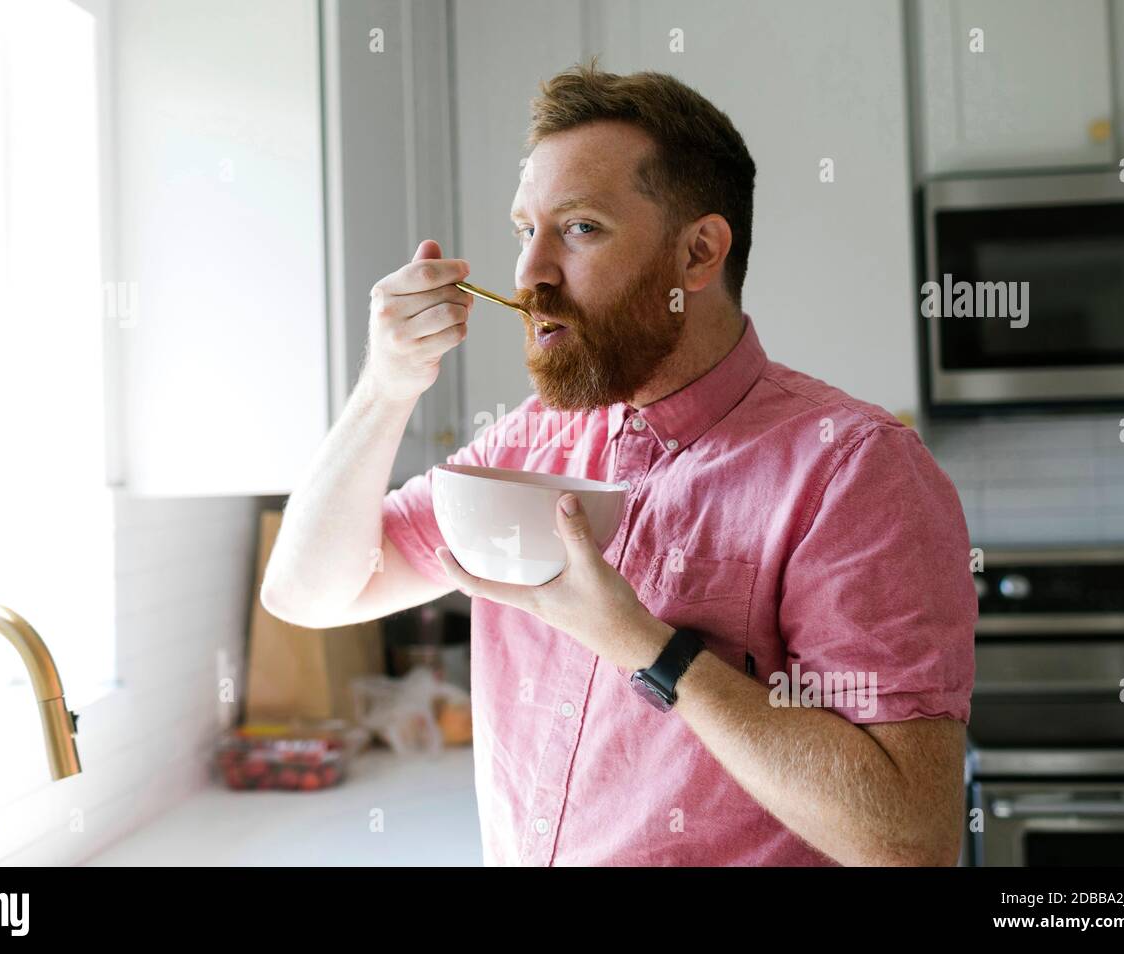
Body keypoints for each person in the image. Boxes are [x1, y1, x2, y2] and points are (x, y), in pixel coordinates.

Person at [261, 60, 976, 866]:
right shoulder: (526, 447)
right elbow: (310, 591)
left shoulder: (855, 473)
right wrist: (385, 388)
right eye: (524, 230)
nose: (531, 275)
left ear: (698, 253)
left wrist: (649, 648)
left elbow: (910, 840)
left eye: (580, 228)